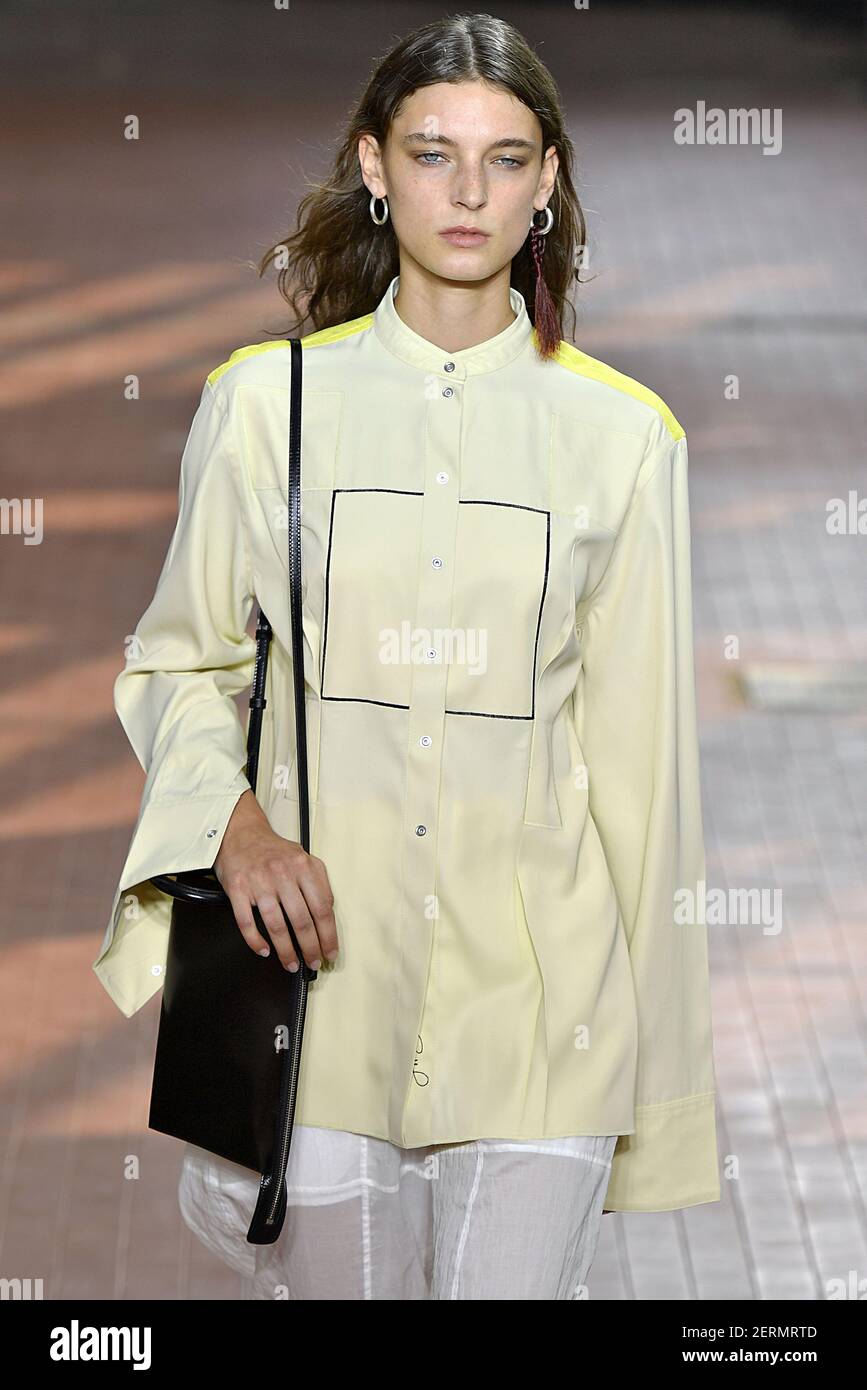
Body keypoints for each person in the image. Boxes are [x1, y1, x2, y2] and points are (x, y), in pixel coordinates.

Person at [94, 12, 720, 1300]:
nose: (469, 191)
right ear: (374, 167)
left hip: (548, 1010)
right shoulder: (267, 405)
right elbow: (179, 665)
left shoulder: (625, 440)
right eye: (434, 154)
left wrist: (661, 1106)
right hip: (325, 998)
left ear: (548, 183)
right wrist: (237, 826)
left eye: (505, 159)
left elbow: (647, 787)